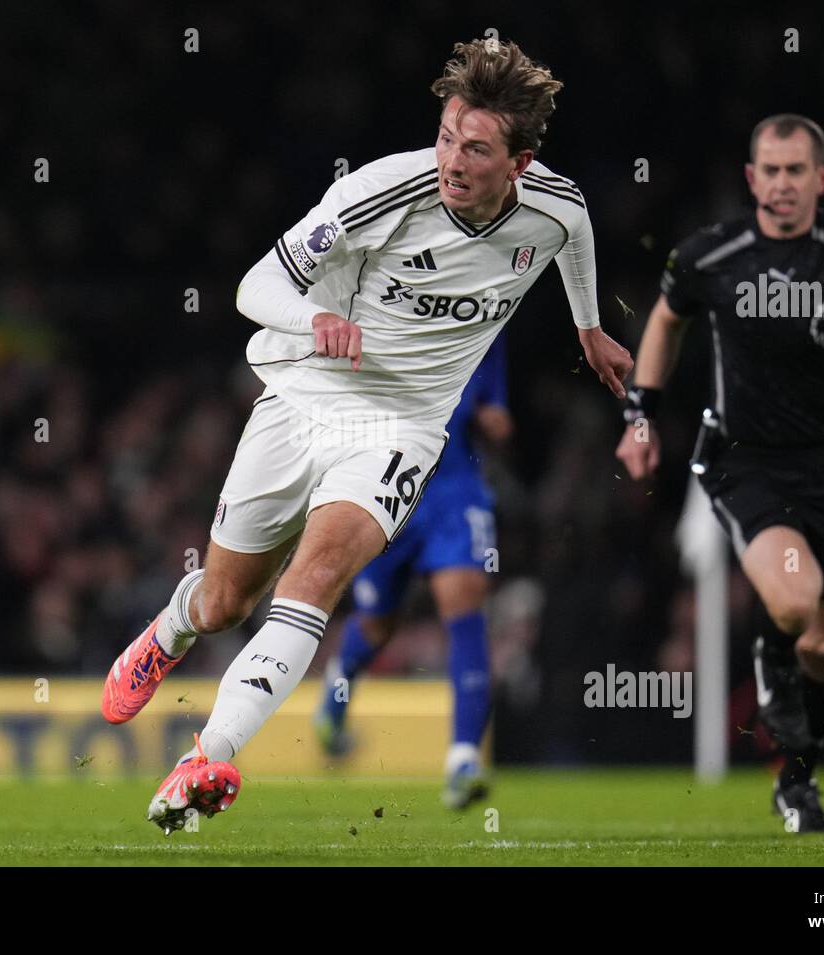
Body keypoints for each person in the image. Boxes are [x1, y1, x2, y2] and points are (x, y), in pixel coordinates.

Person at [102, 38, 632, 834]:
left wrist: (589, 328)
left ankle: (207, 756)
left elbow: (577, 238)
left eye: (475, 149)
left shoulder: (554, 209)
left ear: (519, 164)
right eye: (447, 137)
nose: (452, 160)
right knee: (224, 602)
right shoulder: (382, 190)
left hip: (403, 428)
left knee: (313, 580)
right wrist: (314, 317)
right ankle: (174, 624)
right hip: (304, 394)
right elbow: (256, 285)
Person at [615, 115, 824, 833]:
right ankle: (772, 665)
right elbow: (667, 319)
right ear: (751, 177)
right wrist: (640, 415)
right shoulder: (714, 253)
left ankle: (797, 781)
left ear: (820, 179)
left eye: (796, 170)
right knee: (795, 603)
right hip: (745, 460)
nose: (782, 183)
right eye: (770, 170)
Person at [313, 334, 513, 810]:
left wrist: (493, 419)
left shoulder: (488, 316)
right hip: (386, 485)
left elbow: (496, 411)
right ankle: (340, 681)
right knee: (378, 623)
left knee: (465, 610)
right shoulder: (383, 305)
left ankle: (463, 759)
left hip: (453, 492)